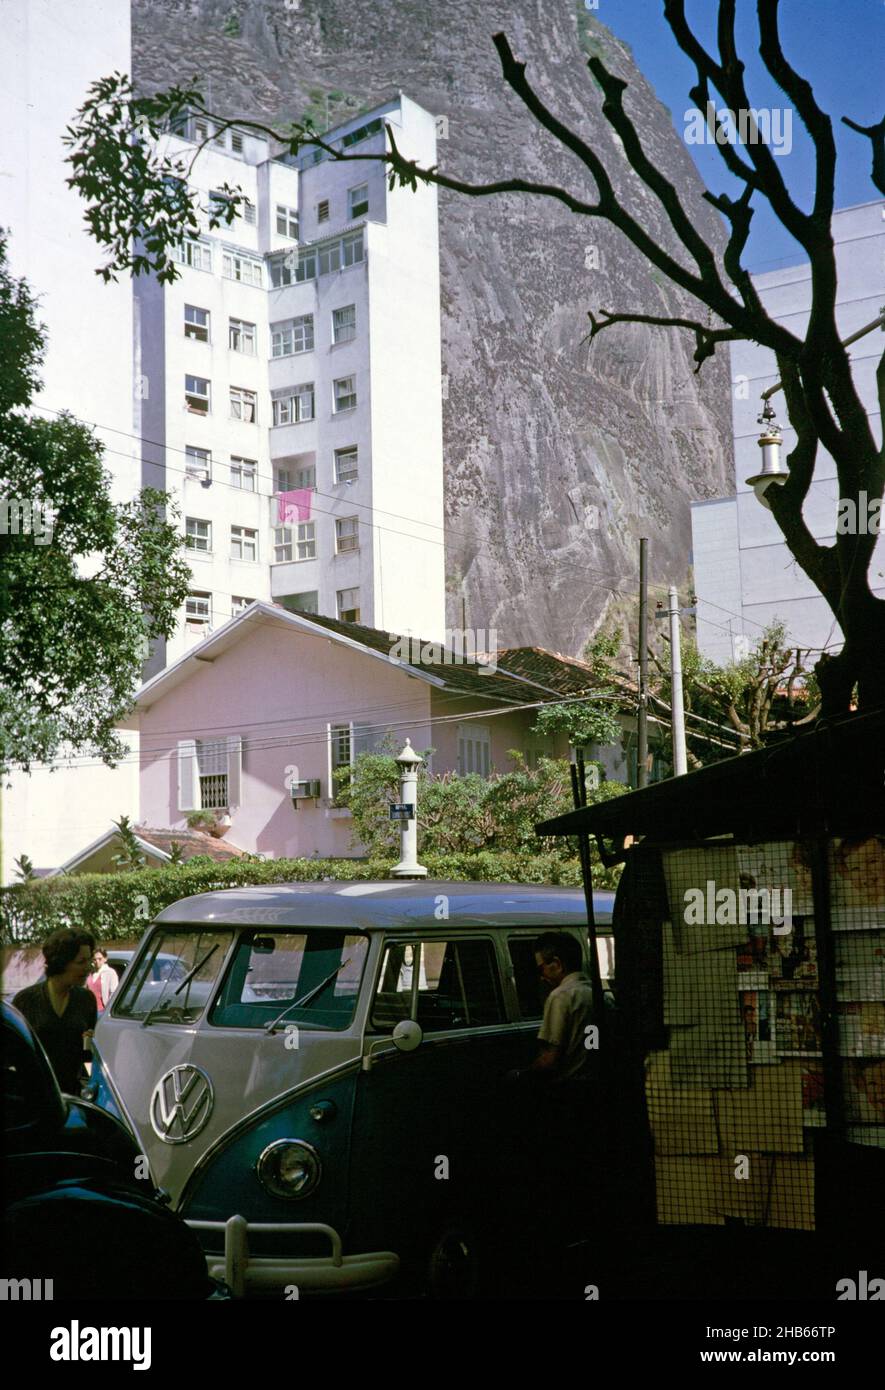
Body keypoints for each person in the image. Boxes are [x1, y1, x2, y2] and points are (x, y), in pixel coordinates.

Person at [12, 929, 98, 1095]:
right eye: (81, 962)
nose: (89, 967)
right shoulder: (25, 1001)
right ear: (61, 963)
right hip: (33, 1097)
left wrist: (89, 1084)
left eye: (90, 960)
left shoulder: (86, 1000)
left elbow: (88, 1054)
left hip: (70, 1098)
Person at [512, 932, 597, 1084]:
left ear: (557, 964)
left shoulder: (560, 997)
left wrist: (521, 1074)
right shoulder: (599, 995)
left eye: (541, 968)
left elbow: (550, 1059)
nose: (541, 976)